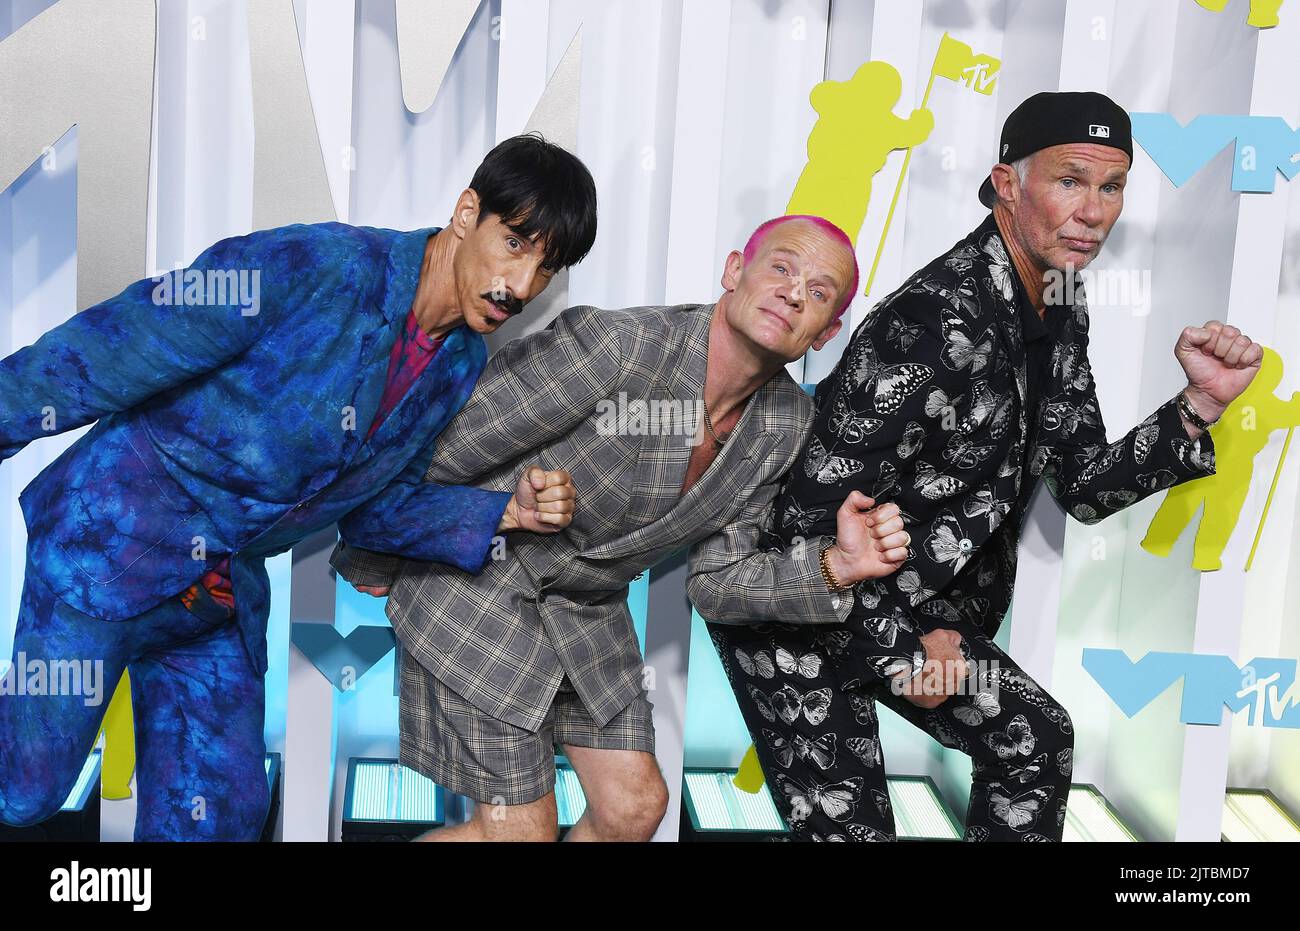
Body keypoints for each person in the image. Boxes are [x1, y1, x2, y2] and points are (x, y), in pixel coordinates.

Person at [0, 134, 593, 840]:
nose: (523, 288)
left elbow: (377, 513)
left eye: (547, 268)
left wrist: (507, 513)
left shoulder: (459, 362)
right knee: (23, 790)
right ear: (468, 212)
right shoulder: (315, 266)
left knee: (217, 817)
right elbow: (115, 345)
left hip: (214, 599)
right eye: (517, 245)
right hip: (103, 553)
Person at [707, 92, 1264, 842]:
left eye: (1112, 186)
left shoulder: (1060, 295)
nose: (1095, 210)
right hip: (801, 615)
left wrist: (1196, 405)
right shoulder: (931, 322)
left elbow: (1084, 484)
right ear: (1008, 184)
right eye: (1070, 180)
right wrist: (908, 649)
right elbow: (808, 526)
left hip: (912, 611)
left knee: (1035, 741)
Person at [332, 214, 911, 841]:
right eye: (781, 268)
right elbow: (447, 444)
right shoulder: (623, 345)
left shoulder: (785, 426)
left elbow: (716, 582)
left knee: (634, 809)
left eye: (819, 292)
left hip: (587, 612)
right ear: (734, 271)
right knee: (517, 833)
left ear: (824, 334)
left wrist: (836, 567)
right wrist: (377, 546)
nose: (795, 292)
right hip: (481, 583)